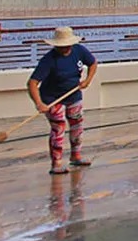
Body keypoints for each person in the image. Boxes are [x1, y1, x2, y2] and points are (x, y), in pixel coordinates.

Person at [27, 26, 98, 175]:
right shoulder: (49, 60)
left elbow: (93, 63)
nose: (65, 49)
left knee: (76, 126)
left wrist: (87, 80)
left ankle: (76, 155)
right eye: (61, 46)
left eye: (67, 46)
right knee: (58, 128)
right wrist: (39, 103)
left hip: (73, 95)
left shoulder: (79, 50)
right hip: (53, 98)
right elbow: (32, 83)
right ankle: (56, 163)